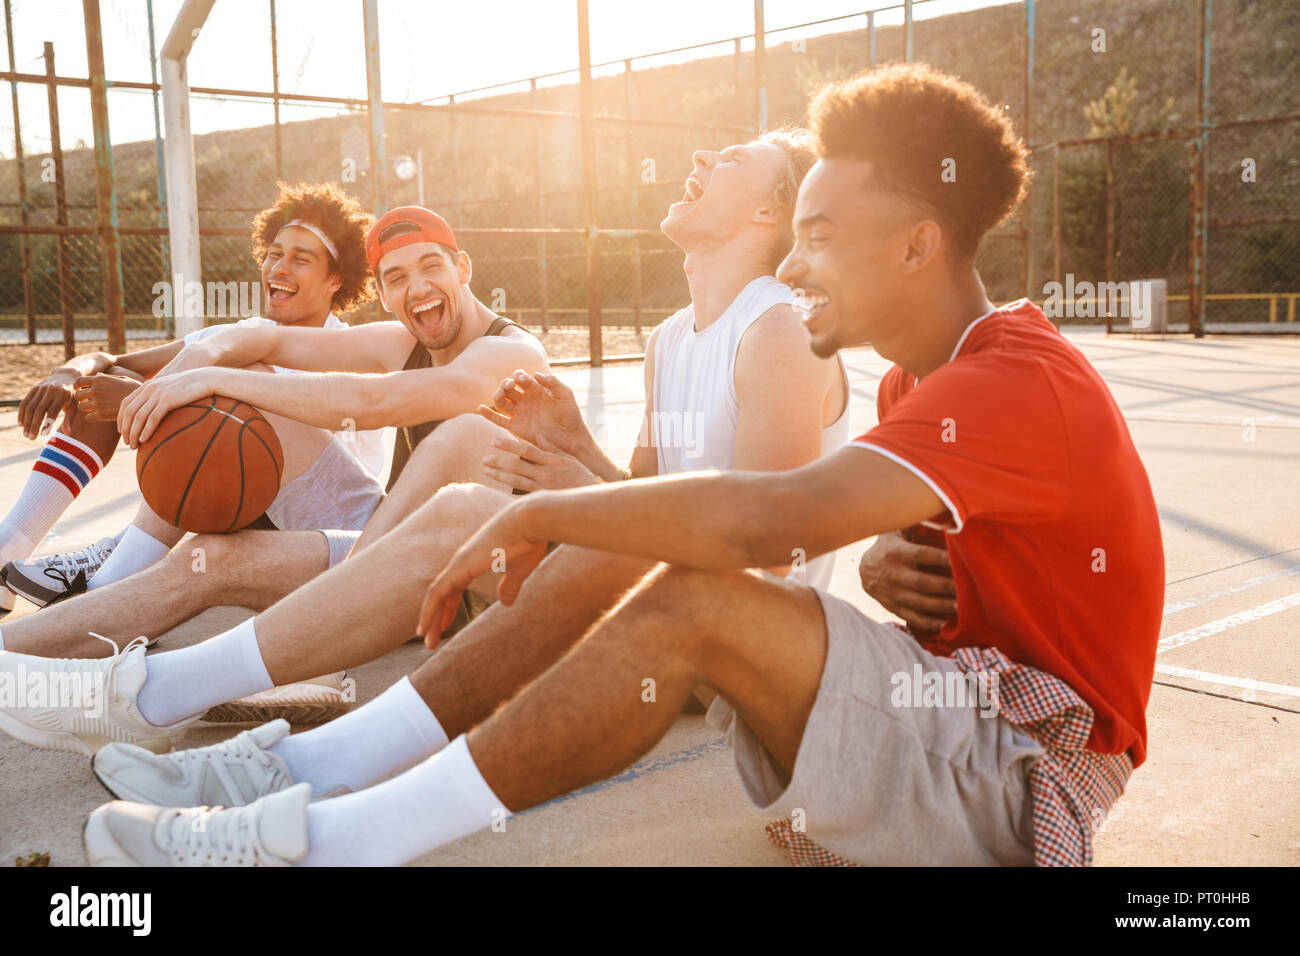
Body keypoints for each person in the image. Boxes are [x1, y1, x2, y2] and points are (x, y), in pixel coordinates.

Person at [82, 64, 1160, 868]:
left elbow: (762, 524)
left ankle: (323, 839)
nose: (794, 261)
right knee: (625, 544)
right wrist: (894, 568)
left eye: (821, 233)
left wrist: (534, 516)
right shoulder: (913, 387)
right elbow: (939, 573)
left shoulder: (1019, 378)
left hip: (1024, 772)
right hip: (950, 714)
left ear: (917, 244)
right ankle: (306, 772)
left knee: (677, 579)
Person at [0, 129, 847, 771]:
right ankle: (19, 663)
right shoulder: (672, 337)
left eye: (429, 266)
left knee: (467, 458)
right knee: (213, 560)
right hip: (568, 574)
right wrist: (575, 456)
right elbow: (645, 493)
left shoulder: (769, 332)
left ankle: (180, 689)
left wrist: (569, 487)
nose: (413, 290)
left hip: (712, 643)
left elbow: (758, 559)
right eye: (395, 276)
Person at [1, 183, 386, 612]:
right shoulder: (245, 334)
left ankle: (116, 576)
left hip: (330, 527)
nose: (279, 267)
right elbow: (114, 362)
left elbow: (263, 420)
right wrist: (67, 372)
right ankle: (9, 547)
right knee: (115, 379)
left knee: (232, 390)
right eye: (275, 253)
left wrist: (151, 396)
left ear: (336, 278)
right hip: (252, 507)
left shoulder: (350, 350)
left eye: (301, 259)